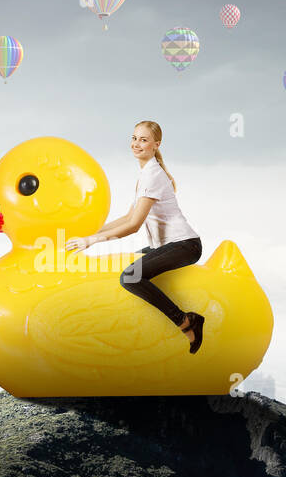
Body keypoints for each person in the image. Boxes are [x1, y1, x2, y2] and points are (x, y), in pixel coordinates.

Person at [65, 120, 205, 353]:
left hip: (185, 245)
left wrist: (90, 241)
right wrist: (91, 233)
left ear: (155, 145)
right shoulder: (145, 174)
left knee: (130, 277)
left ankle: (186, 321)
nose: (136, 144)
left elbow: (133, 225)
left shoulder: (153, 176)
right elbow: (128, 215)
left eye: (143, 140)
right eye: (134, 138)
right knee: (126, 261)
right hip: (166, 245)